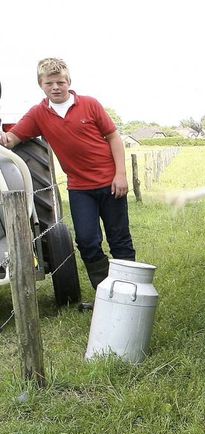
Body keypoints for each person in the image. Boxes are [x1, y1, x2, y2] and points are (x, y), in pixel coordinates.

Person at [1, 57, 135, 297]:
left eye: (60, 82)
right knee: (86, 241)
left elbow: (113, 137)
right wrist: (4, 138)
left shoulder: (90, 105)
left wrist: (121, 175)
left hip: (110, 183)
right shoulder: (39, 114)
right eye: (49, 83)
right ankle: (106, 294)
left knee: (120, 239)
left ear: (69, 82)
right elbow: (12, 139)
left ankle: (130, 291)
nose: (55, 87)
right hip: (80, 189)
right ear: (41, 84)